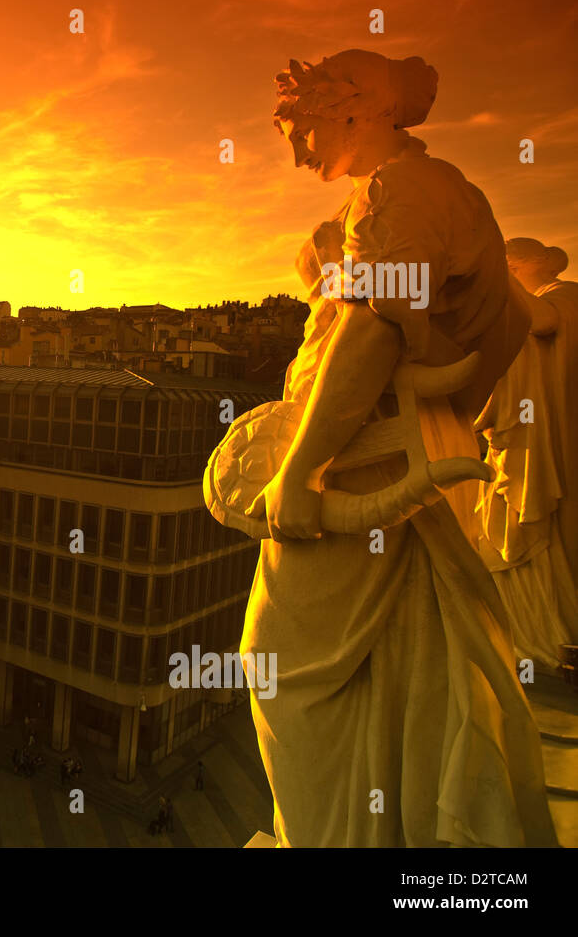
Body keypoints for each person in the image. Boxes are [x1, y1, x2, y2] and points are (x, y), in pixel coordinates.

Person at [246, 49, 557, 846]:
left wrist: (300, 466)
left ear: (352, 109)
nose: (295, 152)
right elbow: (514, 325)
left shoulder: (405, 190)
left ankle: (344, 835)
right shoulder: (426, 190)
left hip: (369, 459)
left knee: (282, 662)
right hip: (400, 442)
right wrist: (447, 403)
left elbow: (374, 325)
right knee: (393, 672)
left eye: (299, 128)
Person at [475, 237, 578, 670]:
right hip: (523, 435)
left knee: (543, 530)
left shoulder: (564, 294)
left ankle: (552, 636)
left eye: (509, 269)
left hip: (548, 436)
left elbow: (544, 324)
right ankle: (525, 632)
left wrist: (495, 282)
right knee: (504, 528)